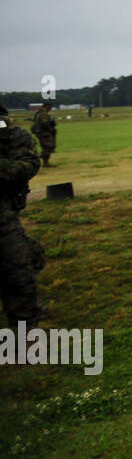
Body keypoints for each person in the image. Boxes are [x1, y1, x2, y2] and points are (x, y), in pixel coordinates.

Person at [0, 101, 45, 326]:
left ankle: (26, 329)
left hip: (3, 215)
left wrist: (4, 168)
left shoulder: (9, 134)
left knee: (17, 269)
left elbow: (29, 163)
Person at [31, 101, 56, 167]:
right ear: (46, 106)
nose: (51, 108)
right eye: (50, 107)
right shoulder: (43, 114)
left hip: (40, 132)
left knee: (46, 147)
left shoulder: (38, 113)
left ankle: (44, 161)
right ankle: (43, 161)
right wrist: (51, 126)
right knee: (48, 147)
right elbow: (45, 124)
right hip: (44, 133)